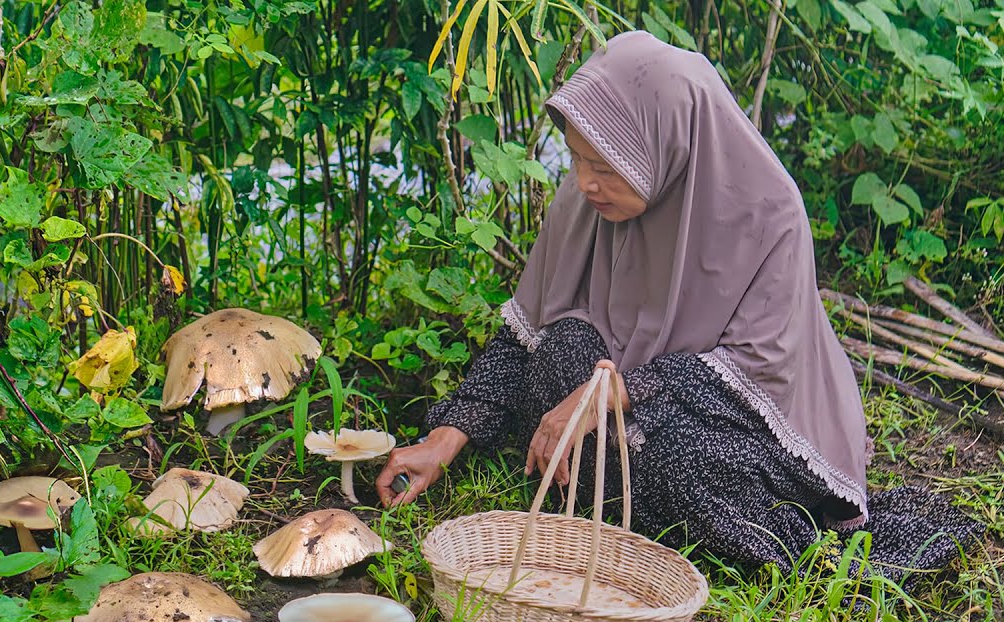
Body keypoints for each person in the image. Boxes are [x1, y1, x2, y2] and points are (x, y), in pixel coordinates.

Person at [375, 31, 981, 578]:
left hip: (742, 419)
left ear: (665, 146)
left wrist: (606, 396)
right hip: (622, 407)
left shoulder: (768, 215)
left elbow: (754, 375)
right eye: (577, 159)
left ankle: (701, 516)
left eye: (606, 166)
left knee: (677, 456)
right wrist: (443, 441)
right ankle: (623, 498)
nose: (586, 183)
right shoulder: (587, 202)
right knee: (561, 352)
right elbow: (528, 335)